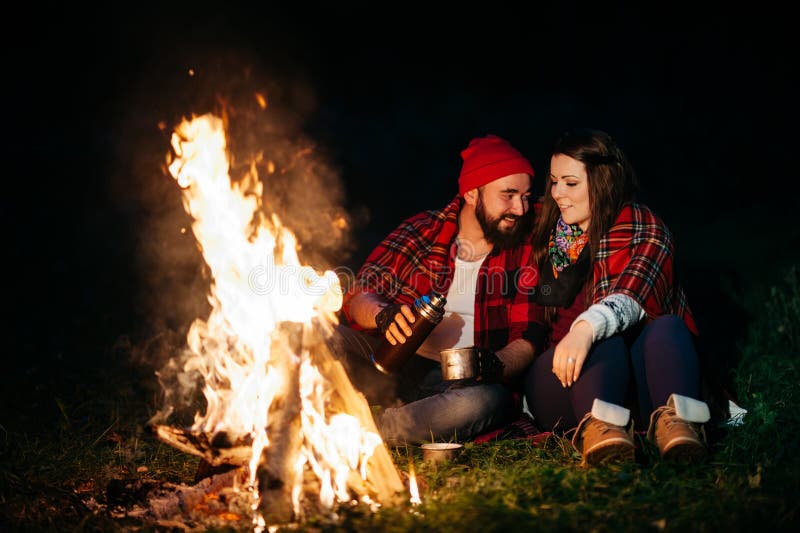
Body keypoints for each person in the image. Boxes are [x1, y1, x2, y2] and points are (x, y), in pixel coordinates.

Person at [522, 128, 722, 465]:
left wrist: (586, 328)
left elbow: (631, 293)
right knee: (605, 339)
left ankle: (678, 426)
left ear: (602, 183)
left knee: (666, 327)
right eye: (554, 181)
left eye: (570, 183)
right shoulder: (548, 229)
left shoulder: (643, 227)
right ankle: (602, 430)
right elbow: (493, 207)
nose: (557, 193)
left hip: (637, 380)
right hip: (562, 379)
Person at [335, 134, 543, 445]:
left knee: (486, 402)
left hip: (465, 382)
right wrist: (384, 315)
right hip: (394, 363)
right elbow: (359, 295)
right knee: (317, 332)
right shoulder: (423, 230)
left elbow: (528, 338)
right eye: (509, 195)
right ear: (472, 193)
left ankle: (366, 430)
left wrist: (496, 365)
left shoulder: (527, 245)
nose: (521, 208)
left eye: (526, 196)